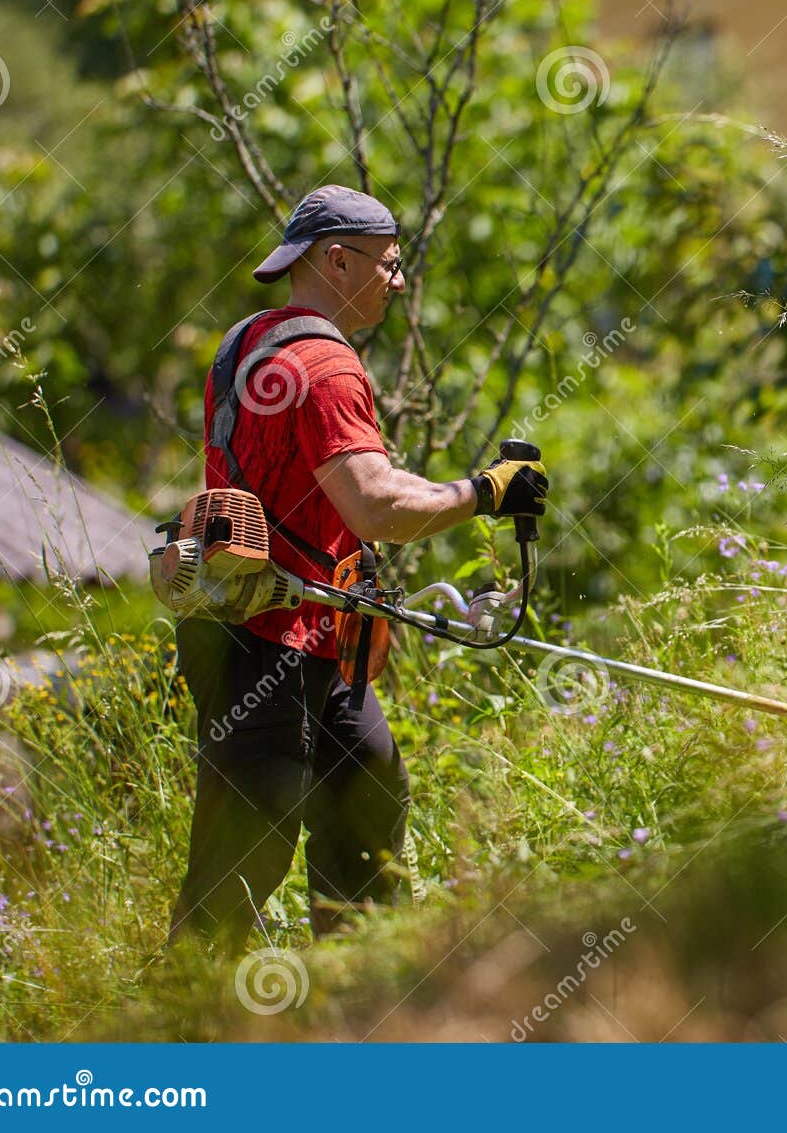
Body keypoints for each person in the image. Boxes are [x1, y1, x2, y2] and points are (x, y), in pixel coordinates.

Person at [169, 184, 547, 952]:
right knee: (235, 878)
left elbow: (336, 489)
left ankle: (363, 1007)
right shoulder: (328, 368)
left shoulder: (248, 343)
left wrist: (465, 492)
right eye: (390, 264)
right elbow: (374, 505)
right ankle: (174, 1044)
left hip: (291, 638)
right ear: (337, 260)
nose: (399, 282)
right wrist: (482, 494)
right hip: (271, 649)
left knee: (369, 806)